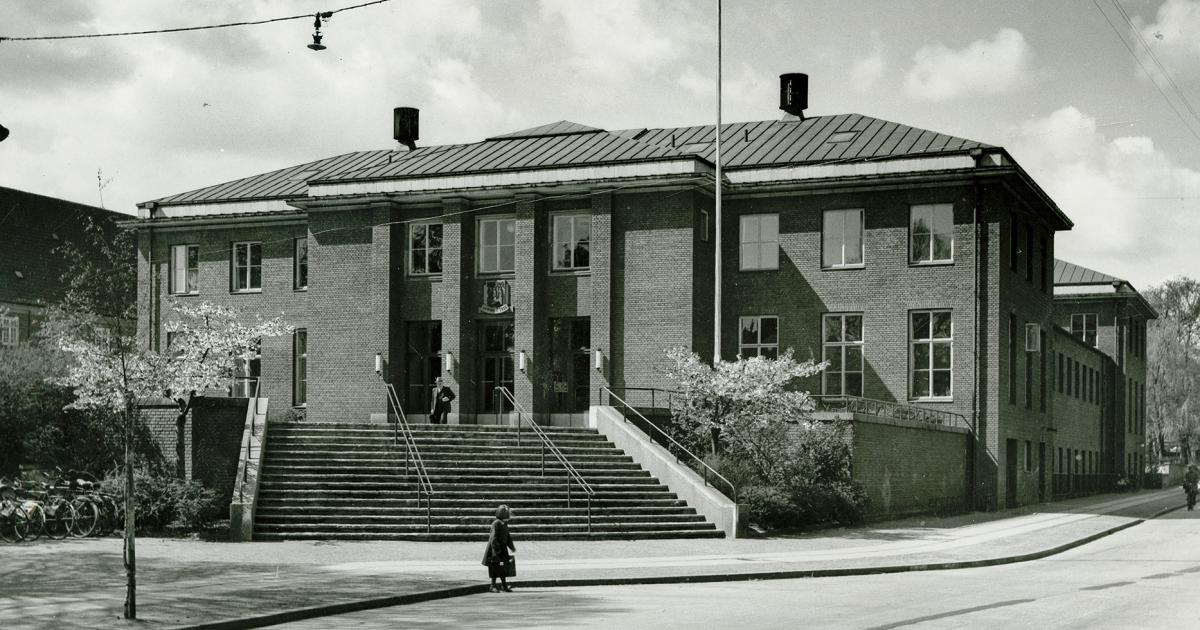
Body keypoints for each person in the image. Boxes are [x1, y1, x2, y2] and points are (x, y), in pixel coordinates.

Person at [482, 504, 516, 592]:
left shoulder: (504, 524)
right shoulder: (496, 523)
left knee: (503, 568)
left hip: (502, 549)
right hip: (495, 550)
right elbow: (493, 539)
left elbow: (507, 536)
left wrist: (511, 546)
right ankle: (492, 586)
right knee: (495, 567)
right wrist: (498, 550)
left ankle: (504, 585)